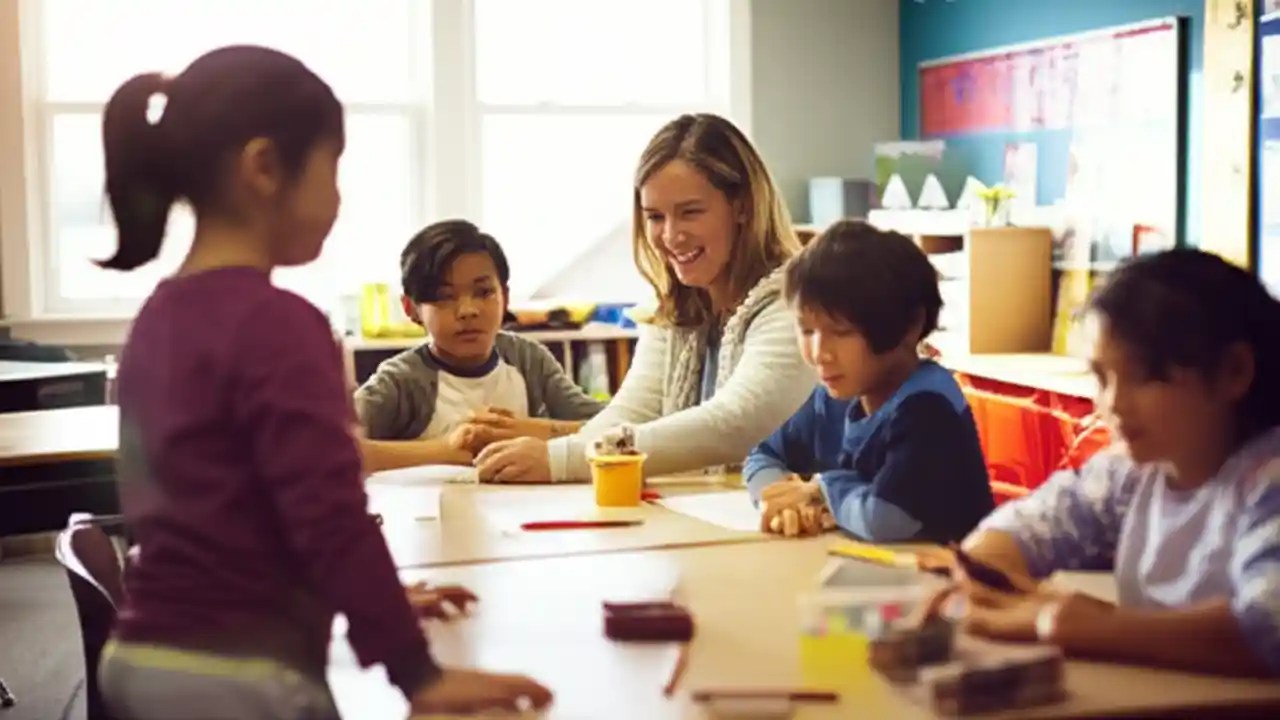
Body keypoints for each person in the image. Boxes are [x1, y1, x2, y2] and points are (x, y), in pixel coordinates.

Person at [96, 46, 552, 718]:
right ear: (264, 168)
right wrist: (415, 670)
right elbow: (327, 514)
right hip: (240, 674)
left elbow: (233, 518)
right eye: (332, 169)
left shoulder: (156, 319)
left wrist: (372, 599)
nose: (338, 198)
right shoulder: (279, 324)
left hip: (148, 655)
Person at [932, 249, 1280, 677]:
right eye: (1101, 377)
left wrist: (1085, 625)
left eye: (1144, 376)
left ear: (1234, 371)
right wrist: (988, 578)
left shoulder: (1268, 480)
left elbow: (1267, 629)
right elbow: (1020, 531)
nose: (1113, 402)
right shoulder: (1131, 476)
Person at [474, 113, 815, 483]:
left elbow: (737, 423)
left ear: (743, 207)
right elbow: (632, 412)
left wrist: (563, 459)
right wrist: (552, 458)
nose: (671, 235)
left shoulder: (797, 302)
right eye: (654, 216)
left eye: (690, 213)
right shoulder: (673, 310)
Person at [745, 221, 992, 542]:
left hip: (941, 579)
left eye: (842, 332)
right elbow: (763, 455)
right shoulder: (838, 393)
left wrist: (820, 491)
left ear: (910, 325)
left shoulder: (927, 406)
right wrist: (781, 502)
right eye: (807, 330)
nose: (820, 353)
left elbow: (888, 519)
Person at [355, 220, 603, 471]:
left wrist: (535, 430)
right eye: (444, 297)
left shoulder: (528, 360)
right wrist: (446, 450)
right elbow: (329, 448)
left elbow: (615, 426)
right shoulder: (401, 382)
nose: (468, 311)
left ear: (504, 298)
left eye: (484, 292)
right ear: (411, 309)